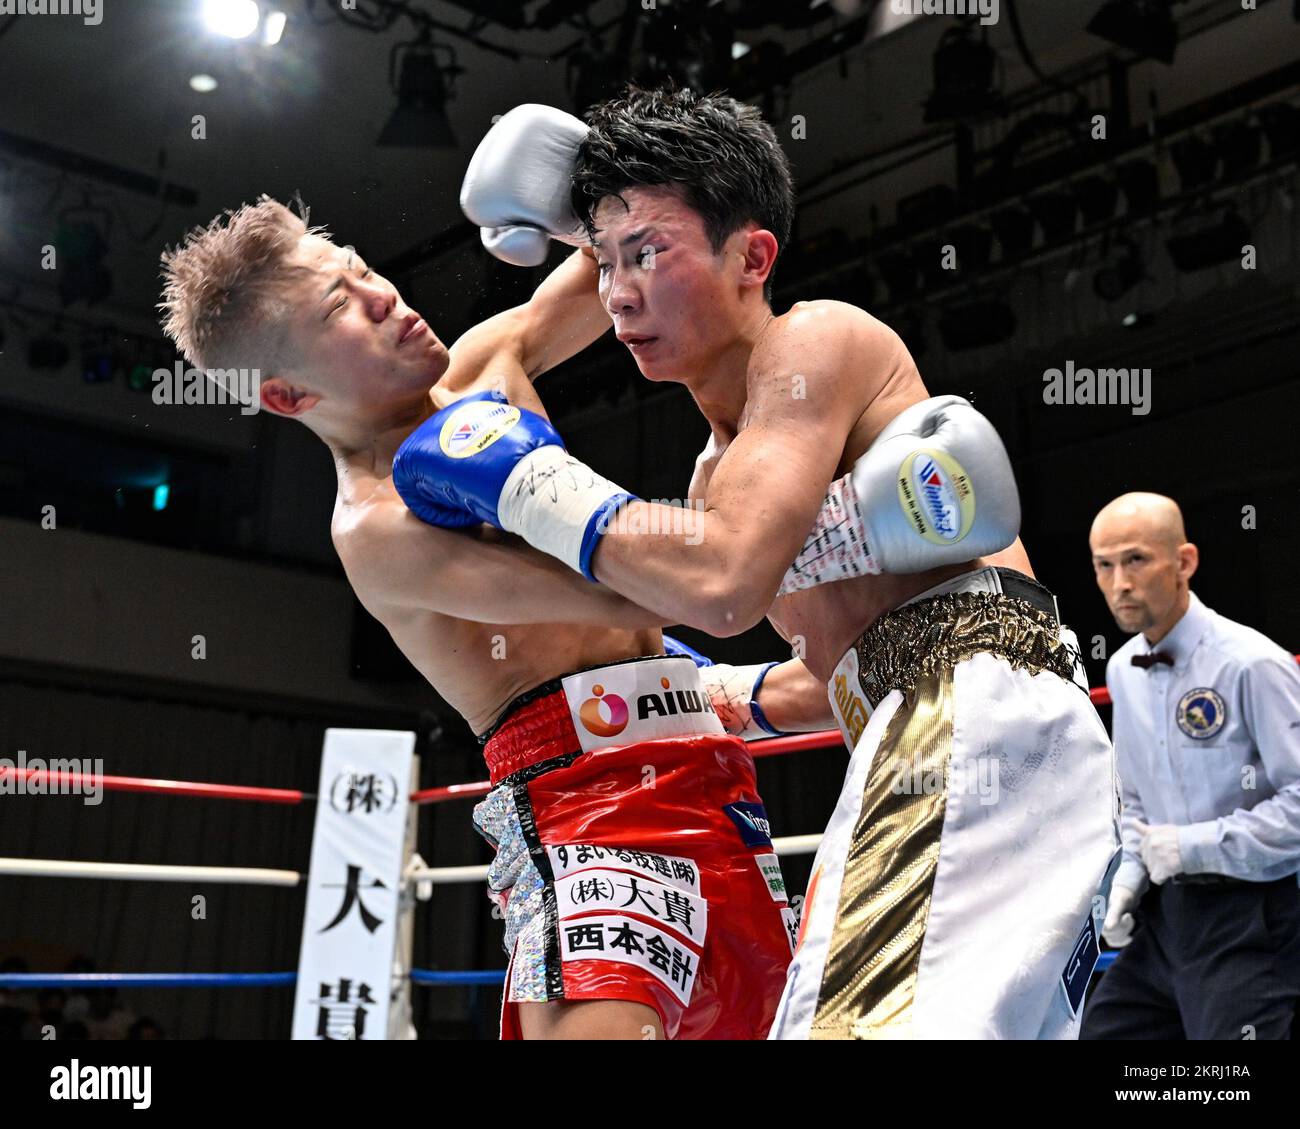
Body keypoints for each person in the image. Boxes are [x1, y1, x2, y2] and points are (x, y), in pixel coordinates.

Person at [404, 87, 1121, 1039]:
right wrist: (700, 694)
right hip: (930, 725)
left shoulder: (814, 341)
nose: (620, 292)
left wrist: (522, 481)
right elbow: (825, 684)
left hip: (968, 713)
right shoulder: (718, 479)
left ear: (754, 258)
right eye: (606, 261)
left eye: (649, 255)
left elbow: (724, 580)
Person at [157, 194, 794, 1040]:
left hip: (705, 766)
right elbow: (640, 588)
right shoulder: (378, 526)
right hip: (587, 801)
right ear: (285, 393)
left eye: (359, 269)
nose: (383, 294)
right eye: (338, 306)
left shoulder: (489, 360)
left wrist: (585, 199)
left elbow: (624, 264)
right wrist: (798, 518)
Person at [1082, 492, 1300, 1039]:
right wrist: (1129, 876)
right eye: (1103, 565)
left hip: (1250, 912)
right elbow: (1135, 800)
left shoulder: (1251, 664)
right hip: (1167, 915)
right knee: (1104, 1031)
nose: (1119, 584)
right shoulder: (1125, 668)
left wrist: (1194, 844)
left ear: (1184, 562)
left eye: (1135, 560)